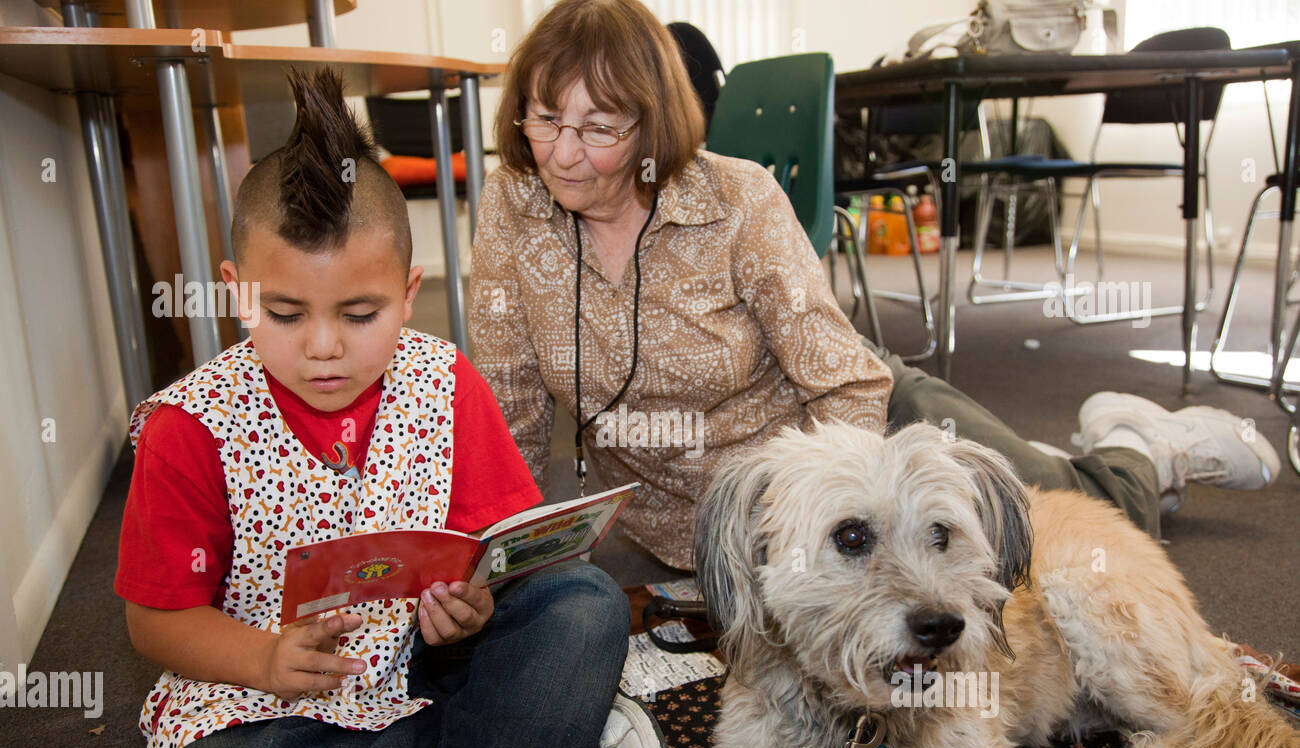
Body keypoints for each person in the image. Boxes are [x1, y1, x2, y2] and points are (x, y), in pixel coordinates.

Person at [468, 0, 1280, 572]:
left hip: (865, 426)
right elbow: (510, 404)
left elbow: (848, 384)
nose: (563, 154)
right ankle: (1052, 451)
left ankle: (1145, 451)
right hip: (674, 523)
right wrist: (509, 554)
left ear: (651, 122)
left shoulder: (737, 198)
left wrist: (821, 533)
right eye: (544, 119)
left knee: (1061, 524)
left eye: (600, 129)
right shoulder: (512, 203)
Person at [114, 68, 666, 748]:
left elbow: (499, 556)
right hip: (261, 711)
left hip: (417, 676)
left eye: (360, 314)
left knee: (581, 601)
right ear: (237, 294)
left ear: (409, 294)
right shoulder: (190, 425)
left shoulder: (443, 380)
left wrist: (475, 607)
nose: (325, 347)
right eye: (285, 313)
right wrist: (265, 659)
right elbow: (152, 621)